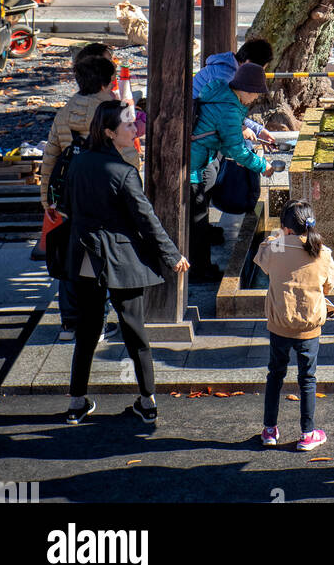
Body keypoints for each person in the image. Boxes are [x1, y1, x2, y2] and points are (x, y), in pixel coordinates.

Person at [58, 101, 189, 424]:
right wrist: (172, 256)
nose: (135, 128)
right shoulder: (124, 173)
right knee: (135, 331)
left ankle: (77, 401)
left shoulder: (78, 163)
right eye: (128, 125)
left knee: (87, 331)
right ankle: (147, 399)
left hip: (86, 256)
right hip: (122, 259)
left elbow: (66, 208)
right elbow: (146, 220)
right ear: (109, 133)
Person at [40, 54, 136, 341]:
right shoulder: (112, 113)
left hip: (69, 195)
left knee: (70, 256)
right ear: (109, 82)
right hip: (106, 195)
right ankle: (99, 321)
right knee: (103, 259)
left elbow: (50, 157)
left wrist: (48, 201)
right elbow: (129, 156)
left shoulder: (64, 112)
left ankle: (70, 323)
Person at [255, 198, 334, 452]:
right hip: (309, 326)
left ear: (286, 227)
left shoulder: (277, 247)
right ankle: (307, 433)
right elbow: (330, 285)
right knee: (307, 378)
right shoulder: (322, 252)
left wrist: (278, 235)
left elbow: (261, 256)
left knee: (275, 375)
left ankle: (269, 429)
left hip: (279, 323)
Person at [189, 62, 275, 281]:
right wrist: (262, 166)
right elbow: (236, 149)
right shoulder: (228, 108)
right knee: (197, 218)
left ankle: (199, 262)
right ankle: (200, 270)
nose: (255, 99)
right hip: (195, 167)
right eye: (255, 94)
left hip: (198, 158)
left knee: (198, 214)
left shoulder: (222, 95)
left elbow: (228, 142)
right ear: (245, 90)